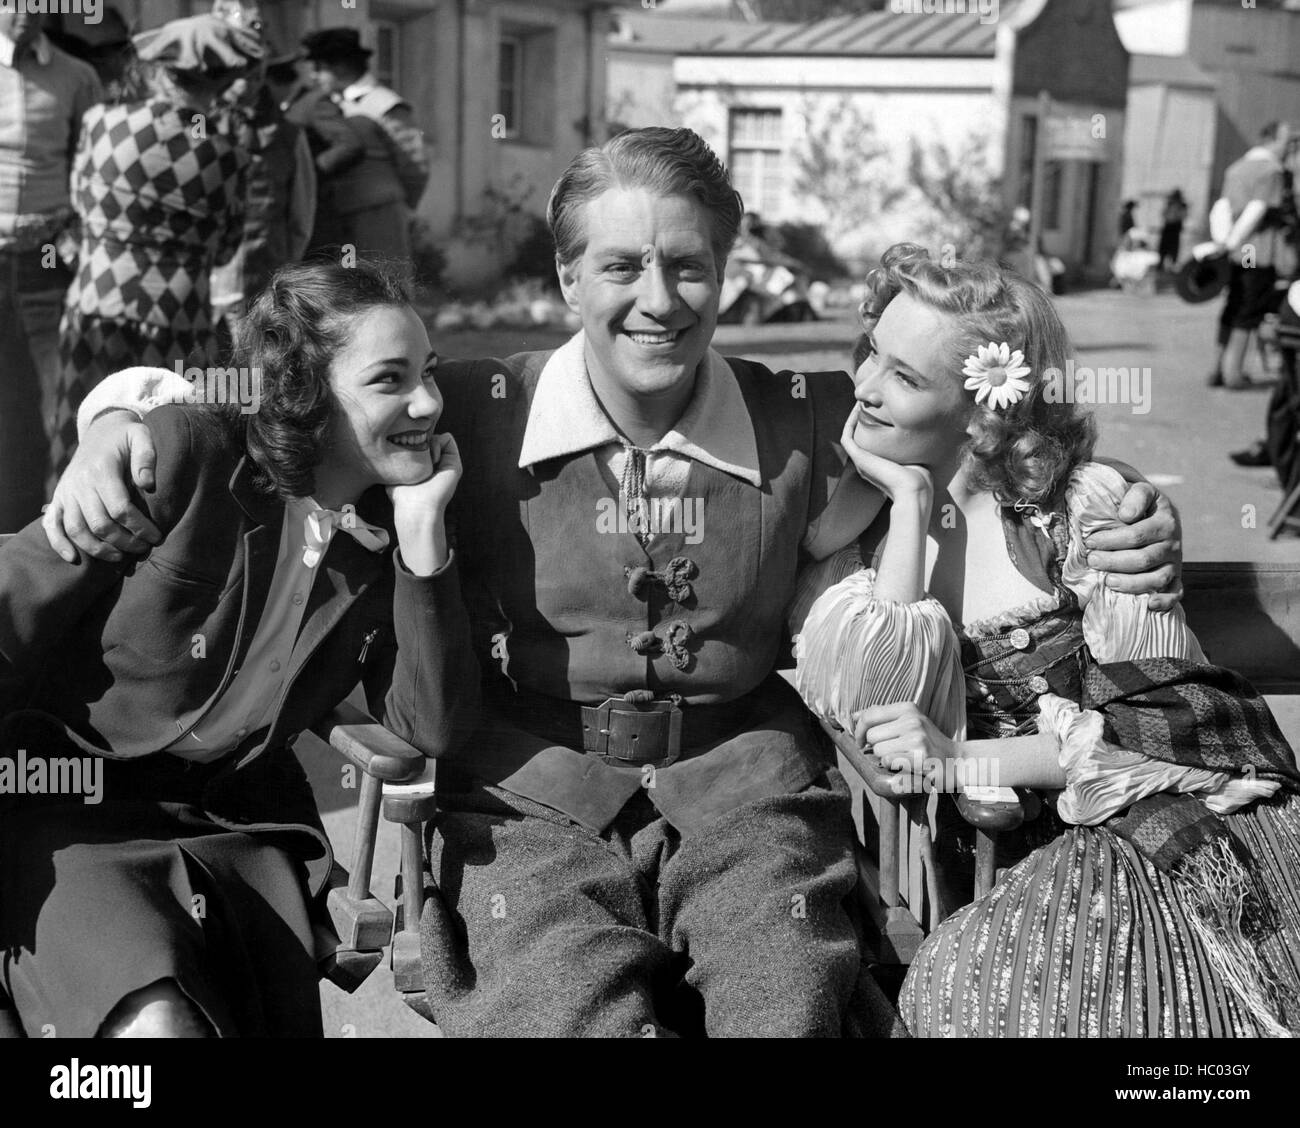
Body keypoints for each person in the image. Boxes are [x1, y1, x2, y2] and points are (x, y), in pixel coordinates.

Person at [44, 129, 1184, 1039]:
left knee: (785, 987)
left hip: (749, 782)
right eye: (622, 266)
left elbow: (982, 418)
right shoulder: (469, 409)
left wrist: (1120, 502)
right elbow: (287, 417)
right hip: (527, 791)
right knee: (554, 1003)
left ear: (726, 273)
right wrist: (124, 418)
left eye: (688, 264)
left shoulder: (801, 415)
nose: (659, 298)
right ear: (566, 276)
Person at [792, 243, 1300, 1037]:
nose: (864, 389)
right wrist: (909, 504)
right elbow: (881, 729)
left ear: (986, 407)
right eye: (872, 356)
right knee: (963, 989)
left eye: (905, 377)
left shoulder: (1083, 513)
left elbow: (1160, 731)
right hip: (1002, 855)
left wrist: (962, 759)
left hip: (1155, 824)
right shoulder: (864, 544)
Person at [0, 259, 477, 1037]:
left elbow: (431, 728)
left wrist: (423, 537)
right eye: (390, 380)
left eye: (428, 372)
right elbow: (12, 600)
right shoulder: (183, 456)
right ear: (306, 394)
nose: (427, 401)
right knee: (154, 1030)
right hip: (74, 807)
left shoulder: (383, 538)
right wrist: (115, 416)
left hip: (239, 827)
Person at [50, 14, 260, 488]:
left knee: (78, 433)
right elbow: (228, 247)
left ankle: (58, 537)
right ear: (224, 81)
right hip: (179, 310)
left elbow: (80, 205)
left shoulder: (102, 122)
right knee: (169, 437)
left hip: (99, 298)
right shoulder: (228, 151)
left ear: (160, 69)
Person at [0, 8, 102, 530]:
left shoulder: (75, 77)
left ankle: (48, 529)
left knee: (53, 396)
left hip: (45, 259)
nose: (23, 13)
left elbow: (91, 163)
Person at [210, 43, 317, 352]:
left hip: (264, 274)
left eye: (252, 76)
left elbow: (302, 213)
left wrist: (286, 267)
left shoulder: (289, 136)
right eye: (234, 76)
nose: (242, 85)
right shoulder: (198, 128)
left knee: (261, 363)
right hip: (205, 282)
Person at [1207, 121, 1292, 390]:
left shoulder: (1236, 168)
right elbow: (1257, 211)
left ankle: (1219, 366)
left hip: (1240, 251)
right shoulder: (1272, 171)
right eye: (1285, 141)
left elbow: (1222, 208)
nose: (1287, 147)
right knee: (1249, 304)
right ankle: (1234, 371)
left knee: (1235, 301)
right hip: (1255, 250)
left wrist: (1226, 241)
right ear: (1271, 140)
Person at [262, 47, 365, 256]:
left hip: (316, 214)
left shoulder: (313, 102)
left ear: (270, 82)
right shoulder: (285, 107)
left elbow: (349, 144)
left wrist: (309, 172)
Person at [1158, 188, 1187, 272]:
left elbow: (1183, 215)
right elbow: (1164, 214)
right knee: (1164, 247)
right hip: (1168, 227)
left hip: (1175, 227)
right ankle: (1161, 264)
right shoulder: (1169, 204)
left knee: (1174, 248)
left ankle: (1173, 265)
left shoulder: (1182, 205)